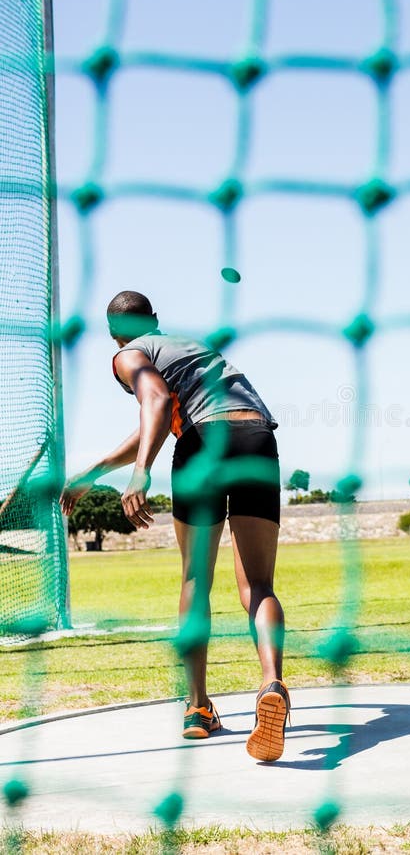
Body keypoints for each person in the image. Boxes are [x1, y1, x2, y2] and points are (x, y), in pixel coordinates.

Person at [60, 290, 290, 762]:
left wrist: (141, 470)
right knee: (259, 585)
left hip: (203, 445)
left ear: (112, 333)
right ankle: (272, 684)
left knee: (195, 580)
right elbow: (161, 417)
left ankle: (197, 708)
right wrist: (97, 468)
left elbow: (158, 402)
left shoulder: (127, 354)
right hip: (253, 436)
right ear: (155, 319)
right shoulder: (188, 345)